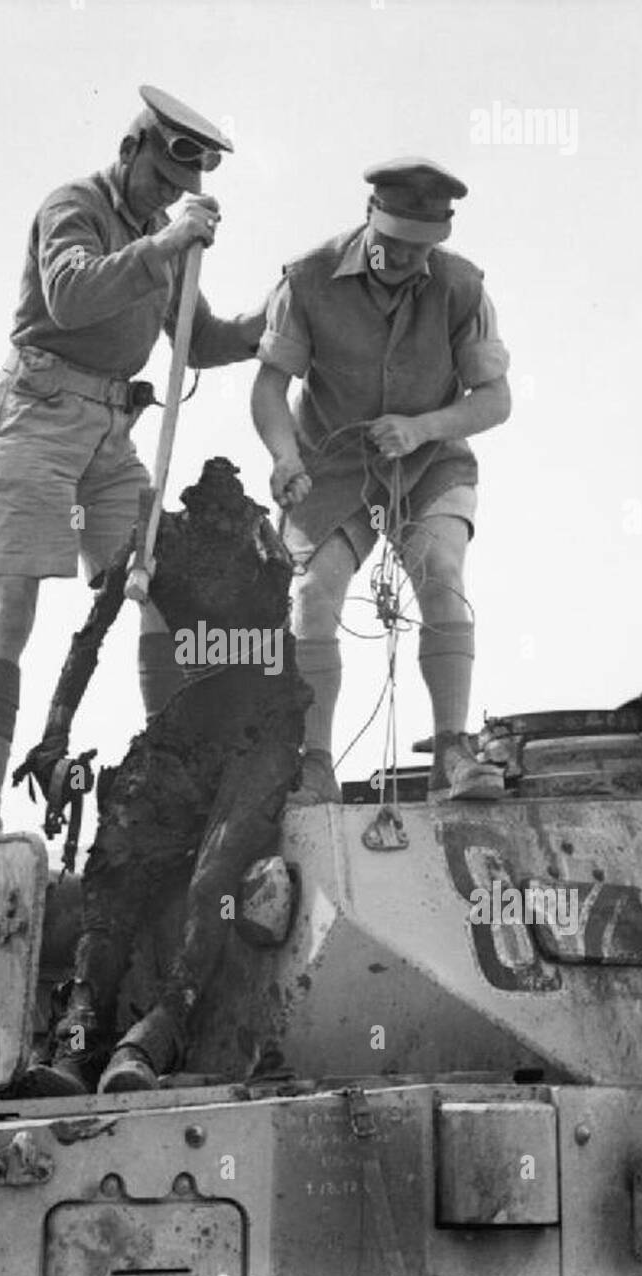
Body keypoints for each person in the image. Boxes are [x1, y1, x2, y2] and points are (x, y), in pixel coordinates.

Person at [0, 86, 265, 843]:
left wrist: (282, 319)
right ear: (130, 152)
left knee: (163, 590)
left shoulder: (166, 238)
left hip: (111, 437)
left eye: (181, 191)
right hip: (37, 416)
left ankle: (171, 771)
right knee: (14, 602)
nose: (169, 198)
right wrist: (164, 246)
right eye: (162, 180)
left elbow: (204, 340)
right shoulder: (75, 206)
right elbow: (69, 295)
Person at [14, 459, 310, 1095]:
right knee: (114, 864)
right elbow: (88, 638)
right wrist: (52, 742)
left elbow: (279, 602)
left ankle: (160, 1030)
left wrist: (275, 537)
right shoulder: (156, 538)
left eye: (233, 493)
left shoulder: (265, 542)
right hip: (195, 719)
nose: (224, 484)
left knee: (212, 882)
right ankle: (79, 1038)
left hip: (266, 723)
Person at [250, 158, 512, 803]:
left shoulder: (462, 287)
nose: (400, 259)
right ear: (370, 216)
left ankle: (453, 750)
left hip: (430, 463)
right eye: (390, 243)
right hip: (331, 467)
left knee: (441, 573)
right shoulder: (307, 280)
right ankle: (314, 765)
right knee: (315, 595)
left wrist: (423, 428)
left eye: (418, 249)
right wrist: (285, 459)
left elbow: (495, 399)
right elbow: (269, 388)